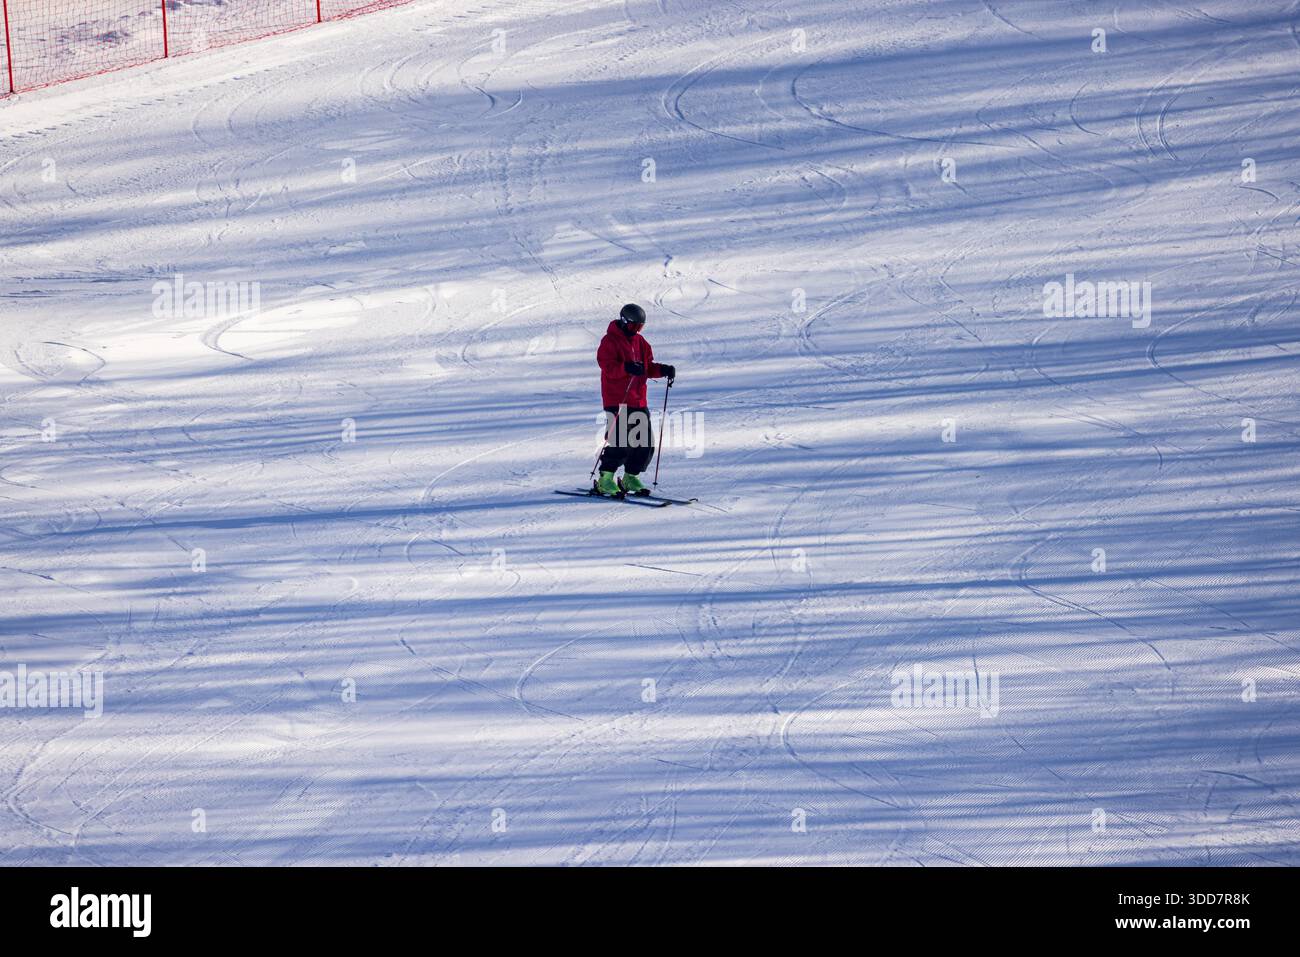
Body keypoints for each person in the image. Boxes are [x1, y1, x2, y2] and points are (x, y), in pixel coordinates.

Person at [594, 303, 676, 496]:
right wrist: (627, 368)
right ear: (624, 322)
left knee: (644, 443)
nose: (636, 331)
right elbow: (608, 367)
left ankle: (631, 477)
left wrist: (663, 370)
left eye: (639, 327)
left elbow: (647, 367)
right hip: (617, 398)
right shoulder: (609, 341)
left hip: (638, 399)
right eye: (633, 327)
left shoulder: (641, 342)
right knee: (620, 441)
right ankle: (605, 479)